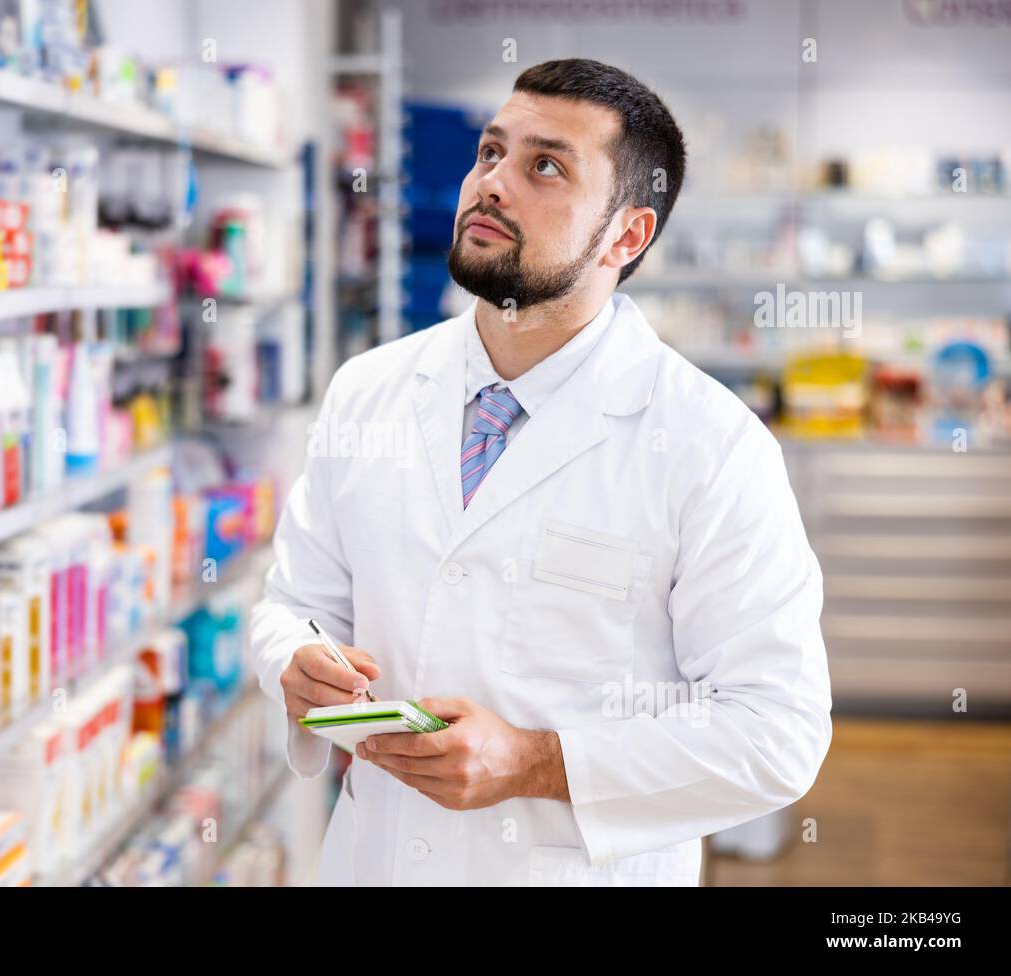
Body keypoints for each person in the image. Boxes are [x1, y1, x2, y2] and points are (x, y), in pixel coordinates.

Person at [250, 58, 832, 886]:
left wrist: (537, 763)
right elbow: (295, 605)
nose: (491, 184)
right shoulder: (367, 391)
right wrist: (294, 663)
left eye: (545, 166)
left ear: (627, 235)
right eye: (490, 152)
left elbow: (778, 733)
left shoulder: (710, 445)